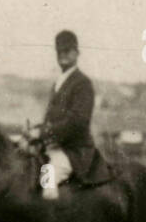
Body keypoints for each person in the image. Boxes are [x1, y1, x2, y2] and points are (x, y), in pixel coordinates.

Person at [36, 30, 110, 201]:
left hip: (74, 151)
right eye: (59, 51)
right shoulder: (58, 83)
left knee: (47, 186)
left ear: (76, 53)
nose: (63, 55)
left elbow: (77, 122)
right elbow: (50, 120)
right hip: (54, 149)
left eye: (67, 51)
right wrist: (33, 133)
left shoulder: (82, 83)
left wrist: (41, 133)